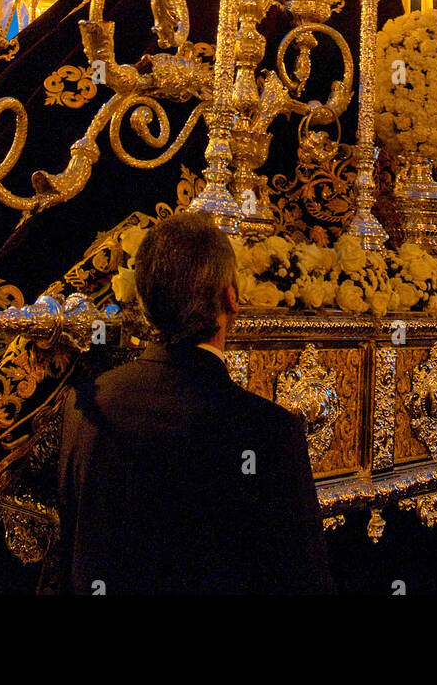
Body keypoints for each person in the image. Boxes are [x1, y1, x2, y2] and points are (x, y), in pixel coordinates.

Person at [57, 211, 334, 595]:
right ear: (230, 298)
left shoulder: (83, 405)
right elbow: (304, 582)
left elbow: (66, 560)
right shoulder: (269, 431)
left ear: (145, 302)